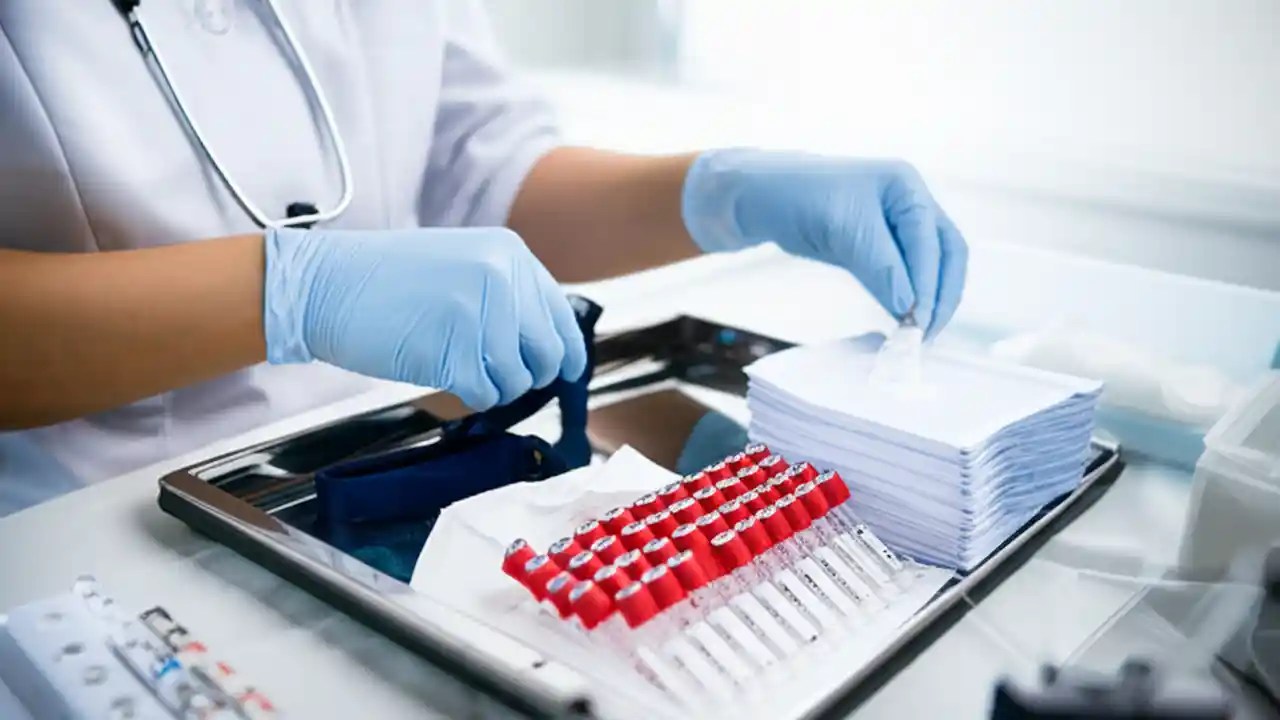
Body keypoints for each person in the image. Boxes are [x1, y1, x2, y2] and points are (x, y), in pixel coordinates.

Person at [0, 1, 966, 515]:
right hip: (77, 516)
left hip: (373, 452)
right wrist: (293, 292)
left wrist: (727, 188)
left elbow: (481, 172)